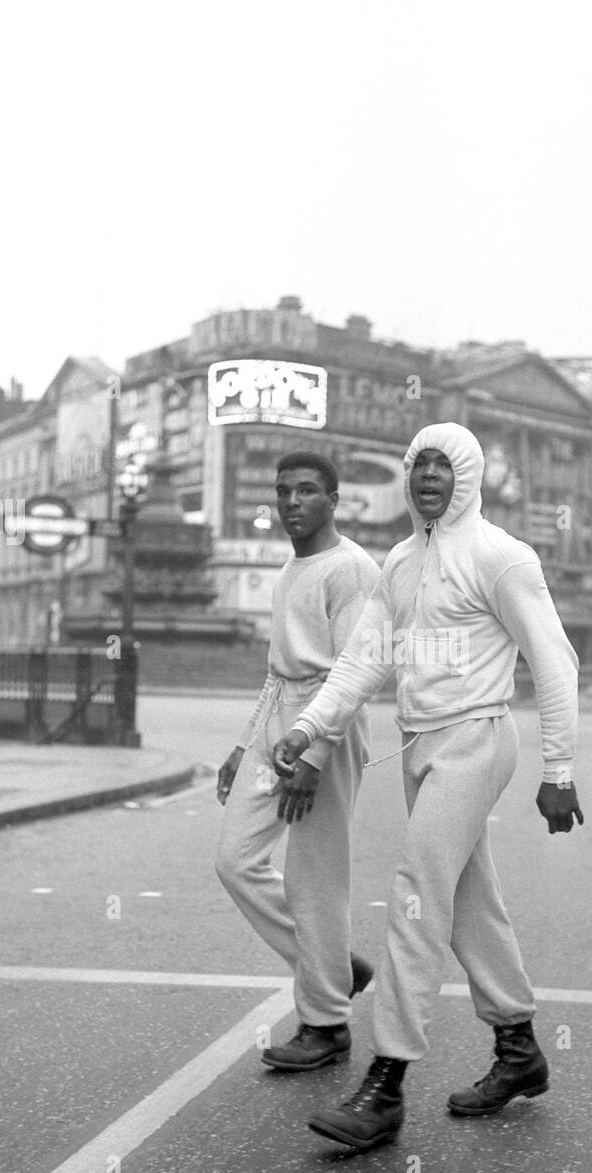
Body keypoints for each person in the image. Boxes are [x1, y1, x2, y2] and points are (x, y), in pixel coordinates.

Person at [271, 421, 583, 1152]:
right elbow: (359, 662)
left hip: (476, 740)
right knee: (469, 901)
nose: (427, 476)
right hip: (421, 746)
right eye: (417, 465)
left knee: (415, 894)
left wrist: (559, 771)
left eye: (443, 465)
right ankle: (517, 1049)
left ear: (468, 476)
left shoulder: (502, 558)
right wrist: (307, 728)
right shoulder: (402, 561)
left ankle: (385, 1083)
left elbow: (555, 662)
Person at [214, 452, 381, 1071]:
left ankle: (325, 1023)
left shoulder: (353, 570)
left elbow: (355, 670)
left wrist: (317, 752)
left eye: (307, 491)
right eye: (283, 490)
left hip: (326, 726)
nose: (292, 501)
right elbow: (277, 673)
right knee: (234, 861)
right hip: (280, 719)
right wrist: (243, 744)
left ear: (333, 500)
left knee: (315, 879)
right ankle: (333, 969)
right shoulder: (292, 569)